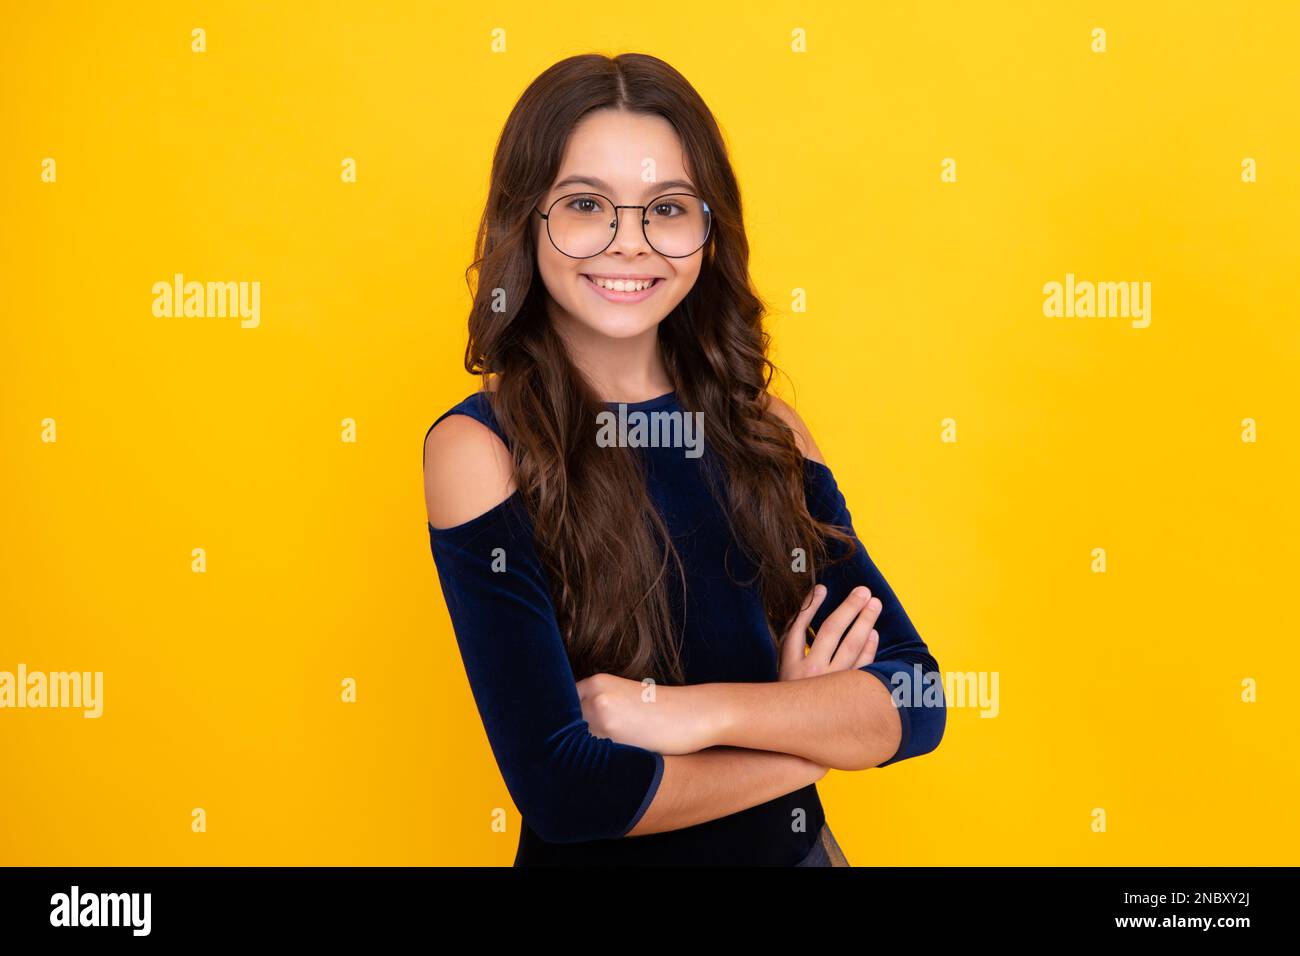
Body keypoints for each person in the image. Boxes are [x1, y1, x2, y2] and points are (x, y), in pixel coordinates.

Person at [422, 52, 945, 866]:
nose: (629, 244)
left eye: (665, 208)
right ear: (525, 220)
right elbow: (568, 792)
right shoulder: (479, 450)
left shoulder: (768, 430)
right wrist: (810, 729)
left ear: (708, 228)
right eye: (587, 205)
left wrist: (690, 713)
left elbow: (918, 697)